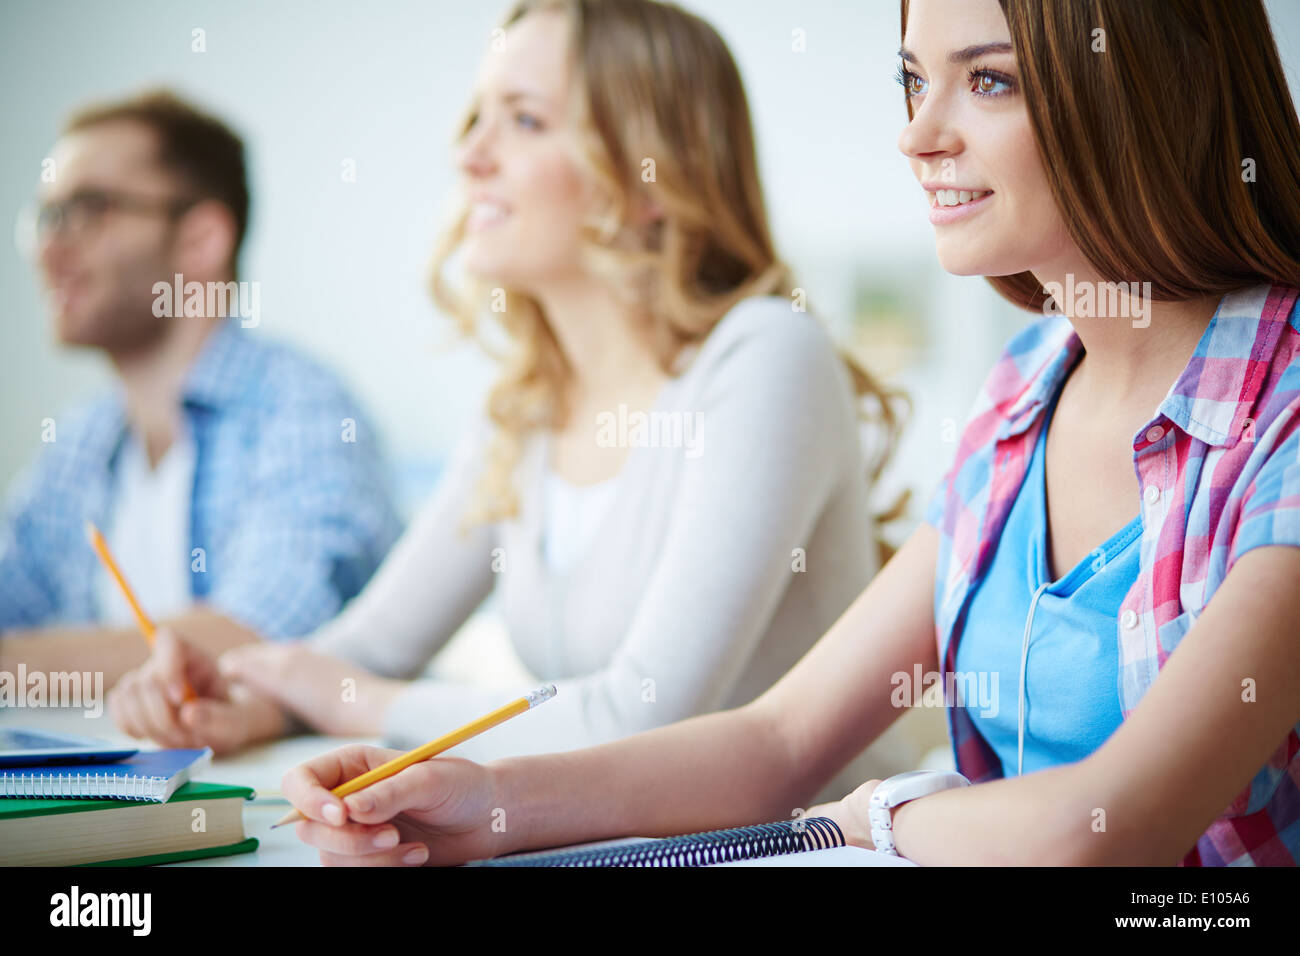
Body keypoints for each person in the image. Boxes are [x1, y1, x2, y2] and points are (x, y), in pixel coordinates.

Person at [281, 0, 1300, 867]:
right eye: (911, 80)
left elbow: (1105, 828)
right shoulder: (1023, 388)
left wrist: (884, 814)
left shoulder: (1284, 406)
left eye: (987, 84)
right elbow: (776, 738)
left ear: (1145, 97)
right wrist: (486, 802)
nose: (916, 133)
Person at [105, 0, 925, 805]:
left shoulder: (765, 356)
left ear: (650, 178)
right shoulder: (525, 410)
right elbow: (369, 645)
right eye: (476, 118)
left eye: (525, 120)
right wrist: (242, 693)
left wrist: (354, 699)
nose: (470, 157)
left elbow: (640, 713)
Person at [0, 91, 402, 688]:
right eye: (47, 217)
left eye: (90, 208)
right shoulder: (80, 442)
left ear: (201, 240)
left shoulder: (301, 408)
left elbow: (251, 642)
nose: (50, 249)